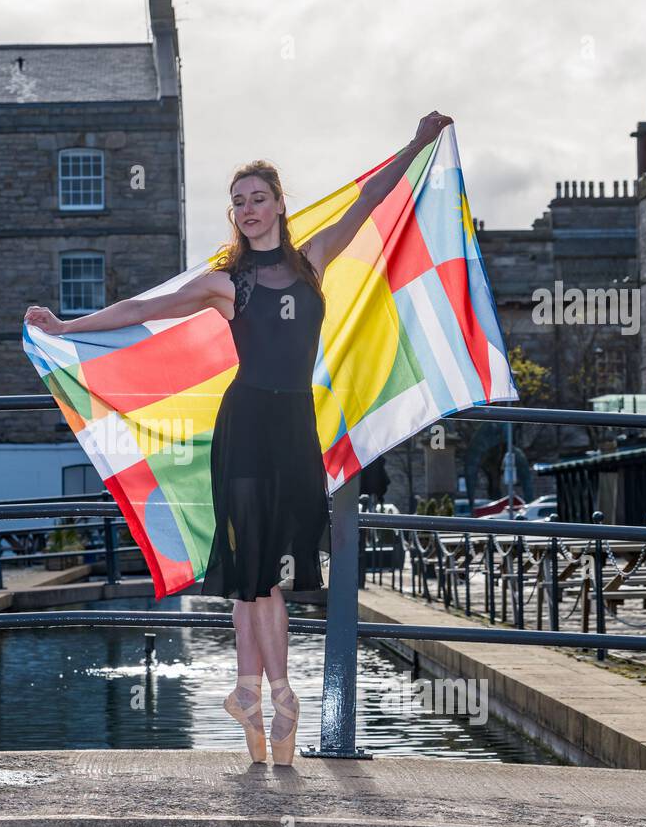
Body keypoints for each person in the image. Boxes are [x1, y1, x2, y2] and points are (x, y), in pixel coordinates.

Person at [25, 111, 453, 765]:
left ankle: (247, 698)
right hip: (246, 425)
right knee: (263, 575)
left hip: (296, 428)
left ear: (281, 203)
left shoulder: (313, 260)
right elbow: (141, 310)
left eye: (259, 198)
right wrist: (65, 325)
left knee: (259, 574)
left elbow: (371, 199)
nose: (249, 210)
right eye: (239, 203)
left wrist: (418, 143)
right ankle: (282, 700)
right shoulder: (227, 284)